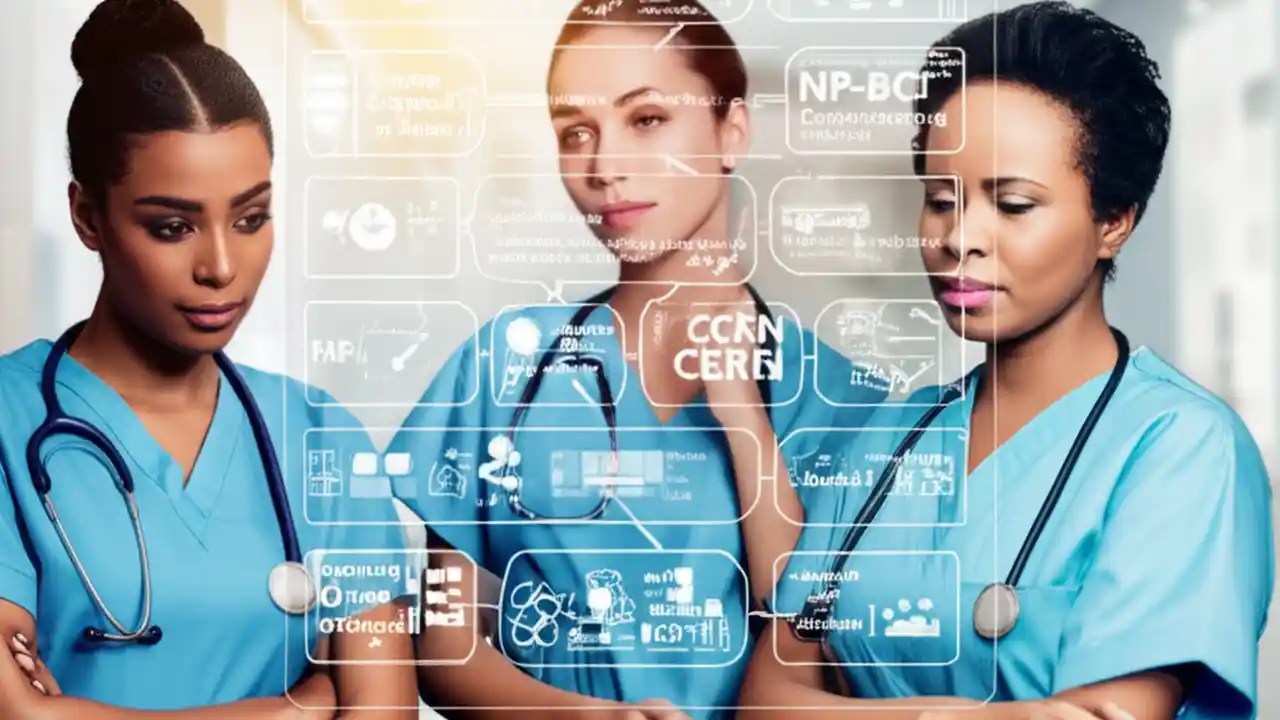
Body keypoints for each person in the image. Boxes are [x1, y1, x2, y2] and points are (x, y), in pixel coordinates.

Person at [740, 3, 1274, 719]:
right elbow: (768, 699)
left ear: (1114, 221)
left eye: (1013, 204)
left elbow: (1110, 714)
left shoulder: (1181, 449)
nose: (961, 237)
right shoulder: (885, 440)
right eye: (940, 199)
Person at [388, 1, 884, 718]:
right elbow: (441, 643)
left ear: (731, 131)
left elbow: (820, 632)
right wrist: (591, 718)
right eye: (575, 131)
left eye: (646, 119)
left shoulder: (843, 398)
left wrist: (741, 411)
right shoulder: (503, 364)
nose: (605, 166)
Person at [0, 1, 418, 717]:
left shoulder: (320, 435)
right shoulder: (11, 423)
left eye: (251, 218)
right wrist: (301, 705)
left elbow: (384, 709)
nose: (222, 266)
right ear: (87, 216)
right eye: (171, 226)